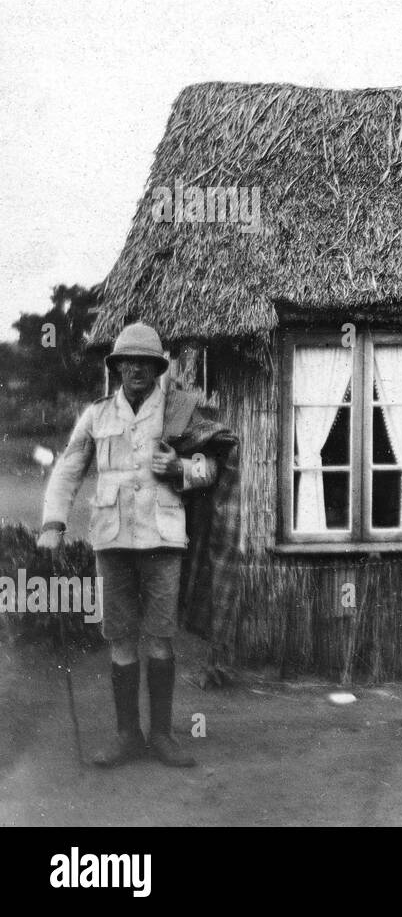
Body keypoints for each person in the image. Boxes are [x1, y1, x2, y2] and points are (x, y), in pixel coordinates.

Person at [38, 322, 230, 769]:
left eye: (146, 361)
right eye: (128, 361)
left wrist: (180, 466)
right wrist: (53, 522)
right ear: (117, 366)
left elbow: (213, 468)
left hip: (163, 538)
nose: (136, 369)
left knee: (161, 637)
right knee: (120, 636)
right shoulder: (97, 415)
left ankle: (162, 736)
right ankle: (128, 737)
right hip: (112, 540)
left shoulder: (183, 410)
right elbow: (69, 469)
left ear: (159, 367)